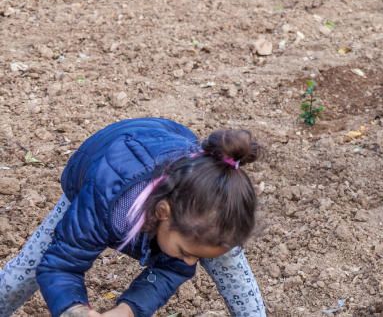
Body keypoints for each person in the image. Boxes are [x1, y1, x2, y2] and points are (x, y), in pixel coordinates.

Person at [0, 118, 265, 317]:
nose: (191, 264)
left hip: (184, 188)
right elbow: (61, 264)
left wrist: (127, 310)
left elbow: (171, 270)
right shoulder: (101, 200)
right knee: (27, 271)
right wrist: (74, 309)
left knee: (231, 270)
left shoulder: (207, 207)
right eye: (186, 253)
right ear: (163, 213)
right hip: (97, 177)